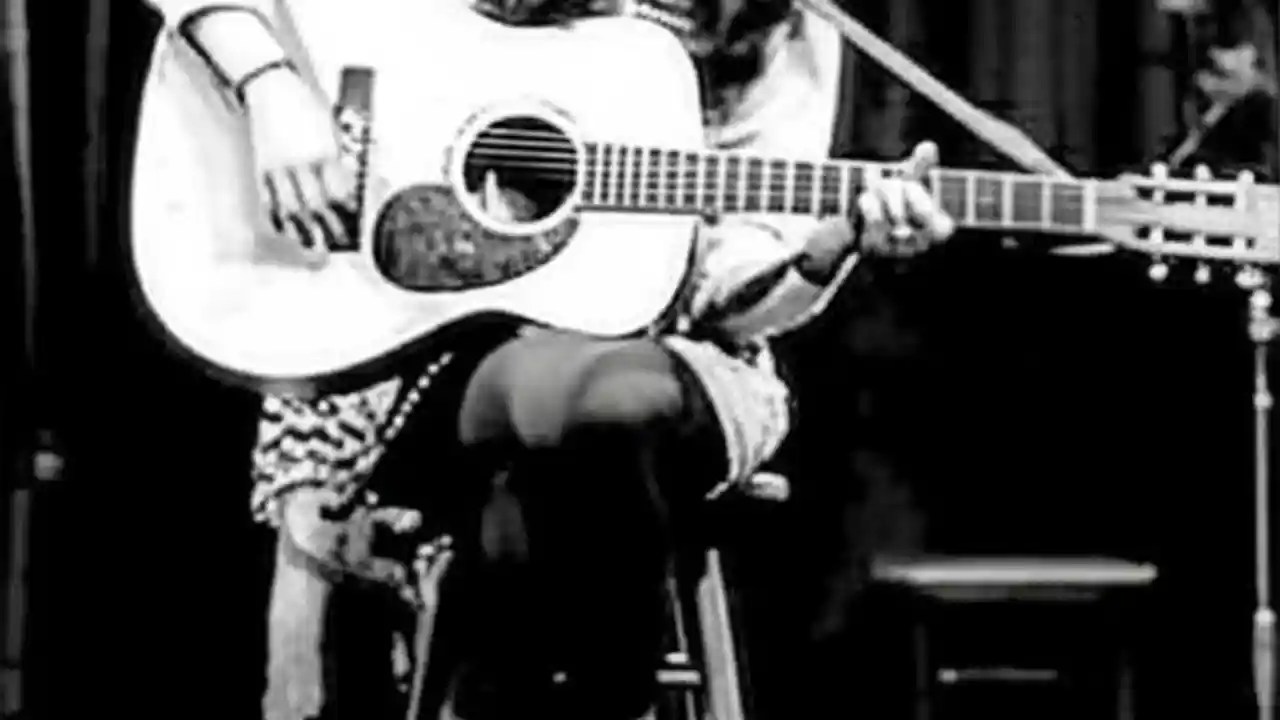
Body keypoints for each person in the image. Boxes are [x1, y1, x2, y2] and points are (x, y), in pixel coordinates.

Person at [140, 1, 955, 719]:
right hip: (429, 342)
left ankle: (544, 689)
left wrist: (829, 247)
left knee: (603, 406)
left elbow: (730, 291)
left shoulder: (784, 22)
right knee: (585, 410)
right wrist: (272, 86)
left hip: (681, 358)